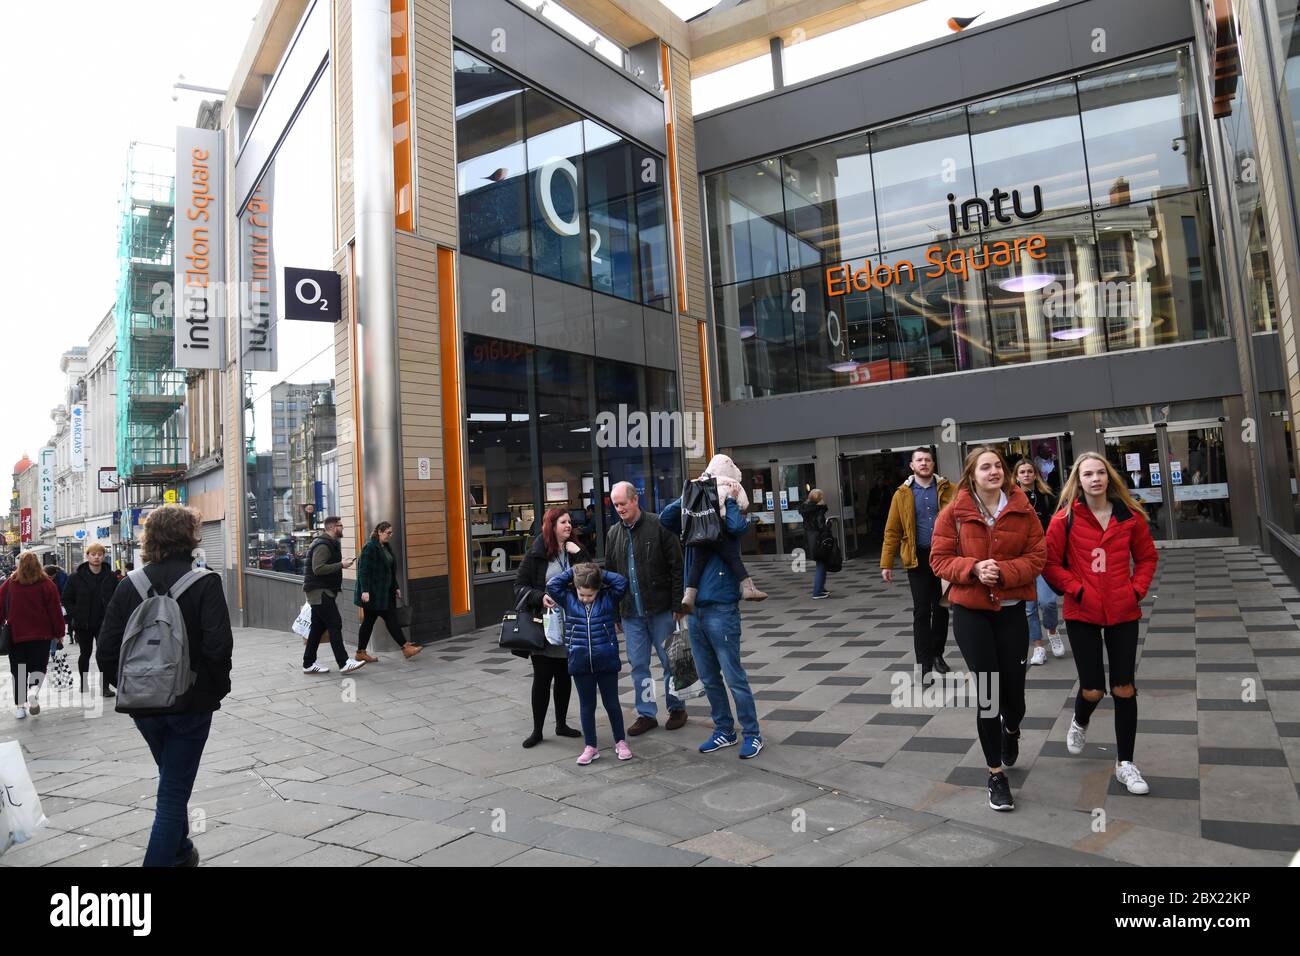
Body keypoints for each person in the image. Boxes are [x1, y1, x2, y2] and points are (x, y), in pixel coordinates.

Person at [97, 505, 234, 867]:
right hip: (190, 704)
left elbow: (107, 648)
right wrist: (212, 691)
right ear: (189, 536)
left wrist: (130, 685)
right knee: (173, 793)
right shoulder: (204, 582)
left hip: (144, 705)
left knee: (173, 778)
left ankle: (180, 851)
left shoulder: (129, 585)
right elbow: (218, 646)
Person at [929, 446, 1045, 812]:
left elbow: (1038, 556)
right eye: (985, 467)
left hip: (1011, 612)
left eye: (998, 466)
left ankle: (1012, 729)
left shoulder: (1023, 509)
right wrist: (975, 568)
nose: (994, 471)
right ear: (971, 475)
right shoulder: (954, 513)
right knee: (989, 692)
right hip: (972, 613)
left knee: (1015, 697)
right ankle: (996, 774)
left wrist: (1006, 573)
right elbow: (938, 559)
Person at [1044, 452, 1158, 796]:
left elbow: (1148, 557)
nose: (1095, 479)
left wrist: (1135, 589)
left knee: (1124, 687)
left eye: (1100, 473)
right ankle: (1080, 721)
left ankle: (1126, 764)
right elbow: (1050, 564)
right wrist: (1076, 588)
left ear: (1109, 477)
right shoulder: (1064, 519)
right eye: (1088, 474)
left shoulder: (1131, 516)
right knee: (1093, 688)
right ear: (1078, 481)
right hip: (1083, 613)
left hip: (1123, 611)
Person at [661, 479, 764, 760]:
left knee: (733, 675)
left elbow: (738, 527)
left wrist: (728, 498)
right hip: (694, 610)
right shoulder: (694, 517)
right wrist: (690, 493)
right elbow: (666, 518)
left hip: (721, 607)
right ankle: (724, 729)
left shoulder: (730, 511)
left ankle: (752, 733)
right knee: (708, 677)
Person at [605, 481, 688, 737]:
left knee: (670, 662)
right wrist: (615, 613)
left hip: (662, 609)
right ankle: (646, 713)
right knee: (638, 665)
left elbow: (677, 566)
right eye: (615, 505)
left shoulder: (659, 525)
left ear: (635, 500)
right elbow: (610, 576)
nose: (619, 509)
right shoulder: (613, 534)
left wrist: (678, 604)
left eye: (622, 503)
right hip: (631, 614)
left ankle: (677, 708)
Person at [512, 508, 586, 748]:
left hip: (571, 625)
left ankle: (562, 724)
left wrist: (581, 553)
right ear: (551, 525)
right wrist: (539, 596)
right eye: (563, 522)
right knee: (542, 678)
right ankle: (537, 730)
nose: (569, 526)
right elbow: (519, 587)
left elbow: (592, 578)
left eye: (570, 522)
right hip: (544, 627)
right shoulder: (537, 553)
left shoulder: (574, 551)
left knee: (564, 677)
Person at [881, 447, 957, 680]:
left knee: (942, 608)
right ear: (912, 466)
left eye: (927, 460)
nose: (924, 463)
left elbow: (962, 520)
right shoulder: (901, 494)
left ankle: (937, 654)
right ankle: (923, 664)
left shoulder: (950, 490)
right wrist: (887, 563)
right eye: (919, 460)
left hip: (944, 557)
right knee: (921, 611)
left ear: (933, 464)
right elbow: (892, 530)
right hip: (917, 559)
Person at [546, 562, 631, 765]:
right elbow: (553, 584)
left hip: (606, 660)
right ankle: (590, 746)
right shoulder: (568, 599)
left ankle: (621, 741)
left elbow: (621, 582)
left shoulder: (608, 598)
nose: (584, 599)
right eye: (581, 594)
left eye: (589, 595)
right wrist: (574, 572)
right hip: (580, 661)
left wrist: (597, 573)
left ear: (598, 589)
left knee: (612, 703)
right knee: (587, 705)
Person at [681, 455, 767, 611]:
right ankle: (749, 589)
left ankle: (688, 596)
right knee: (733, 559)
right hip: (720, 532)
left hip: (701, 531)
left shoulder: (697, 484)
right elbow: (744, 504)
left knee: (697, 564)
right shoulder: (731, 484)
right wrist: (731, 499)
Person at [1, 552, 65, 719]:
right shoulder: (47, 585)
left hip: (16, 635)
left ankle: (20, 707)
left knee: (19, 670)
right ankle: (33, 691)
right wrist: (59, 633)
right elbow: (55, 611)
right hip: (41, 635)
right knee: (38, 667)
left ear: (19, 565)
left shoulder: (10, 583)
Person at [1013, 458, 1064, 665]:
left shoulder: (1046, 496)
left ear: (1035, 474)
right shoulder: (1009, 498)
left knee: (1048, 601)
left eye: (1029, 471)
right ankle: (1038, 646)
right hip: (1020, 556)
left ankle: (1052, 631)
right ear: (1016, 476)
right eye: (1022, 472)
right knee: (1029, 607)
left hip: (1043, 554)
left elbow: (1057, 522)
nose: (1026, 475)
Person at [302, 516, 365, 675]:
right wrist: (341, 565)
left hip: (322, 591)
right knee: (334, 623)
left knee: (318, 627)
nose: (342, 527)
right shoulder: (323, 545)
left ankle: (308, 663)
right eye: (340, 525)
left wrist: (341, 563)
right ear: (331, 527)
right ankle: (343, 662)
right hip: (319, 592)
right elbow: (318, 569)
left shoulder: (330, 543)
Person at [354, 521, 422, 663]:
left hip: (385, 592)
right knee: (389, 620)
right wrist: (365, 591)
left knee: (368, 622)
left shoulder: (386, 546)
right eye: (388, 533)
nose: (390, 535)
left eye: (391, 533)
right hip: (373, 593)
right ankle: (405, 648)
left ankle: (361, 652)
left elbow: (390, 570)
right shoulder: (370, 547)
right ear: (379, 531)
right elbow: (363, 571)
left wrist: (396, 587)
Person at [60, 542, 120, 698]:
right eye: (93, 554)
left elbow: (118, 597)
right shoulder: (76, 577)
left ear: (103, 556)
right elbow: (66, 598)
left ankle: (105, 686)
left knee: (104, 653)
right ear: (87, 556)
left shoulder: (110, 576)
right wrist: (75, 614)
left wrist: (114, 615)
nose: (96, 557)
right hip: (83, 623)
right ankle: (84, 683)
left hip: (104, 623)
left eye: (99, 554)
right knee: (85, 653)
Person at [800, 489, 831, 598]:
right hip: (818, 539)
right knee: (821, 564)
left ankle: (821, 588)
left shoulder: (806, 509)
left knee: (821, 563)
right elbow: (821, 526)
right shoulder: (818, 510)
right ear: (819, 498)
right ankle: (817, 591)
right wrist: (828, 527)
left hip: (810, 539)